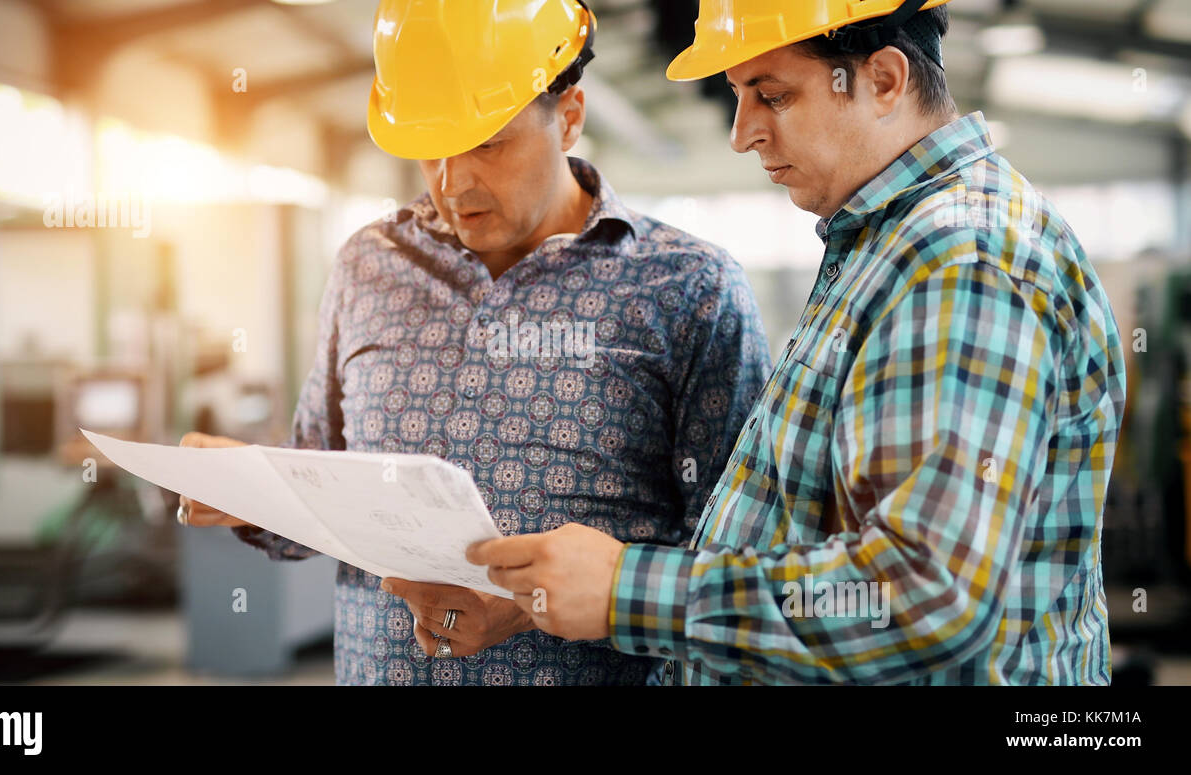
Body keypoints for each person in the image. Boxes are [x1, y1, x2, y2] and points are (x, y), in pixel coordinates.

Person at [470, 0, 1128, 685]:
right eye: (737, 95)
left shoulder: (963, 263)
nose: (742, 133)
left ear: (883, 80)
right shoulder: (886, 244)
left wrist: (624, 591)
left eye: (772, 95)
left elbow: (922, 597)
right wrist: (565, 591)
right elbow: (800, 527)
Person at [177, 0, 772, 686]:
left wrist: (535, 603)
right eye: (430, 146)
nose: (453, 181)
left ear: (570, 115)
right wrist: (249, 489)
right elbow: (318, 485)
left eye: (487, 141)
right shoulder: (368, 267)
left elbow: (736, 559)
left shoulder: (690, 288)